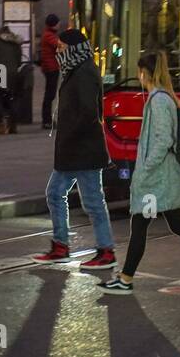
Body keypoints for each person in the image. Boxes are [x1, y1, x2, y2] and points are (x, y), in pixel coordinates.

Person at [99, 51, 180, 295]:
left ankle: (126, 280)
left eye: (139, 72)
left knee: (140, 224)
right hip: (163, 177)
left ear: (144, 73)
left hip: (157, 178)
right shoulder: (162, 98)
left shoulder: (159, 100)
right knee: (179, 225)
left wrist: (146, 168)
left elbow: (163, 139)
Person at [32, 29, 117, 269]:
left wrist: (69, 134)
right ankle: (61, 245)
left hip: (84, 150)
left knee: (92, 201)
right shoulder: (74, 70)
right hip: (72, 151)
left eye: (61, 48)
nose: (58, 52)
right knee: (55, 193)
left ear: (73, 49)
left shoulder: (85, 72)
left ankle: (106, 251)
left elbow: (88, 112)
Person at [39, 14, 60, 130]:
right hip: (51, 68)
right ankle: (46, 121)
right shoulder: (49, 35)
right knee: (49, 95)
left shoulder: (48, 34)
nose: (59, 24)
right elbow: (60, 46)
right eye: (58, 23)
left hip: (50, 67)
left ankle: (47, 120)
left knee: (49, 95)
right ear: (54, 24)